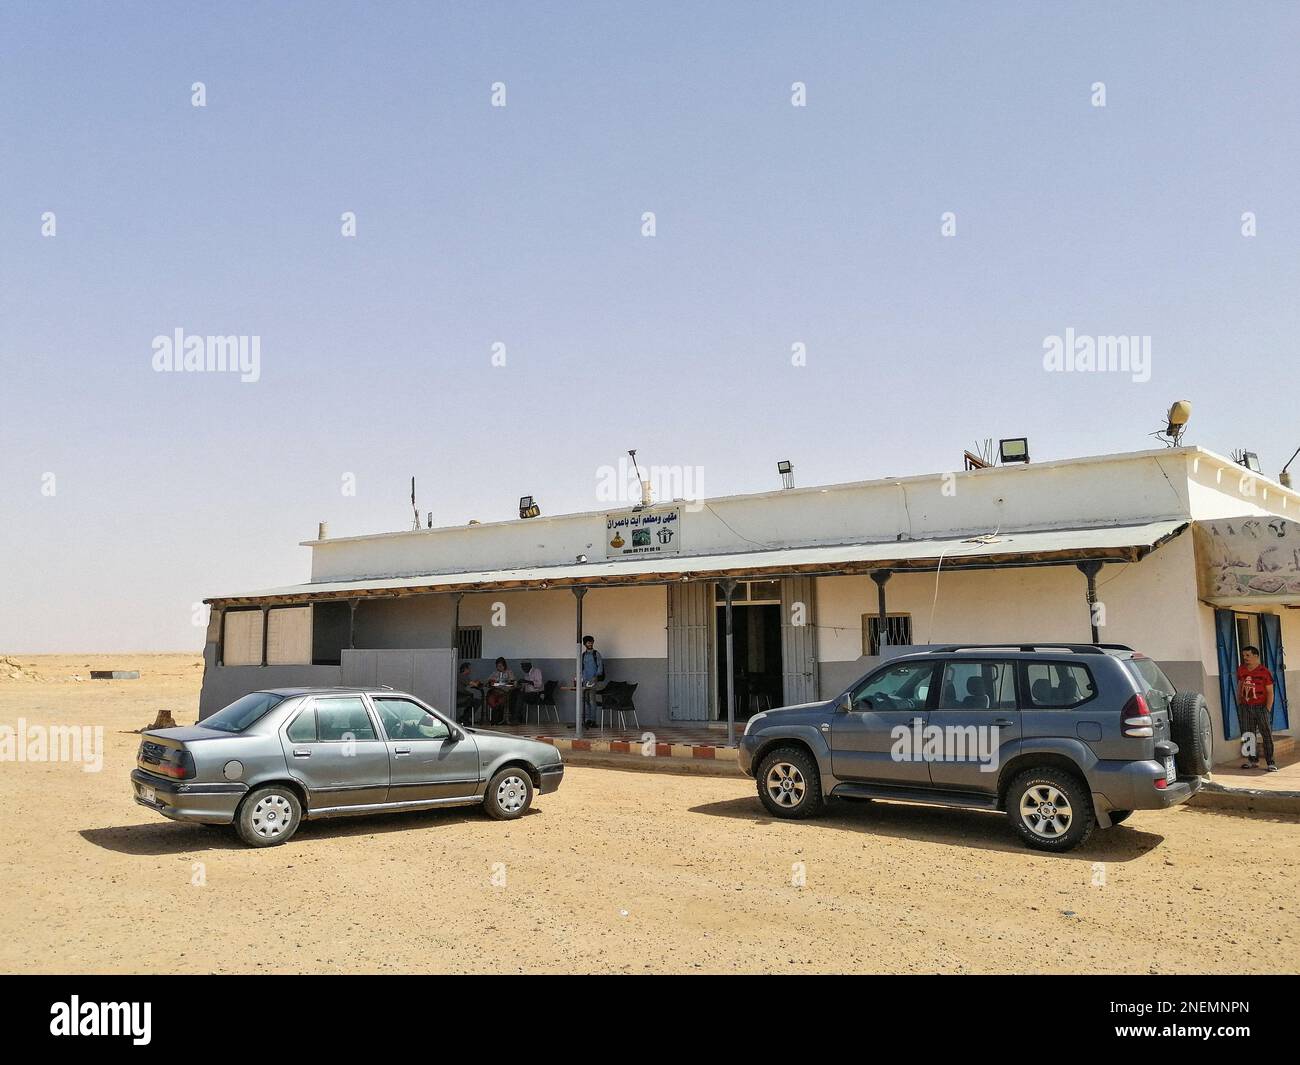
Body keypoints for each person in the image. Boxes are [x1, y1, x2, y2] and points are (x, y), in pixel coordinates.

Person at [1236, 645, 1278, 772]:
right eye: (1244, 656)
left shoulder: (1264, 672)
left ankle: (1270, 762)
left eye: (1248, 655)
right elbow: (1239, 686)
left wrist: (1267, 709)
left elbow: (1270, 692)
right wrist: (1240, 703)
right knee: (1248, 734)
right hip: (1246, 707)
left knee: (1266, 734)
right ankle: (1252, 760)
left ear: (1256, 656)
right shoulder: (1241, 670)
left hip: (1261, 707)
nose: (1245, 658)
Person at [580, 635, 606, 727]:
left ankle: (593, 720)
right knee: (585, 700)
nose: (590, 643)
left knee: (592, 701)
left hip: (593, 680)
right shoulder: (583, 655)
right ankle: (587, 720)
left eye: (591, 642)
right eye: (588, 642)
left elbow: (600, 667)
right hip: (585, 681)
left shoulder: (596, 654)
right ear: (585, 644)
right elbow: (581, 669)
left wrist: (596, 677)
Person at [484, 657, 515, 725]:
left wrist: (498, 683)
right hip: (494, 692)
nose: (499, 667)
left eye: (500, 666)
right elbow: (488, 682)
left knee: (499, 702)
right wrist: (491, 682)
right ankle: (495, 721)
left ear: (504, 665)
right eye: (497, 666)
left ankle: (496, 720)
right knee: (491, 700)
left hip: (504, 692)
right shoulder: (495, 673)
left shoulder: (509, 672)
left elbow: (512, 683)